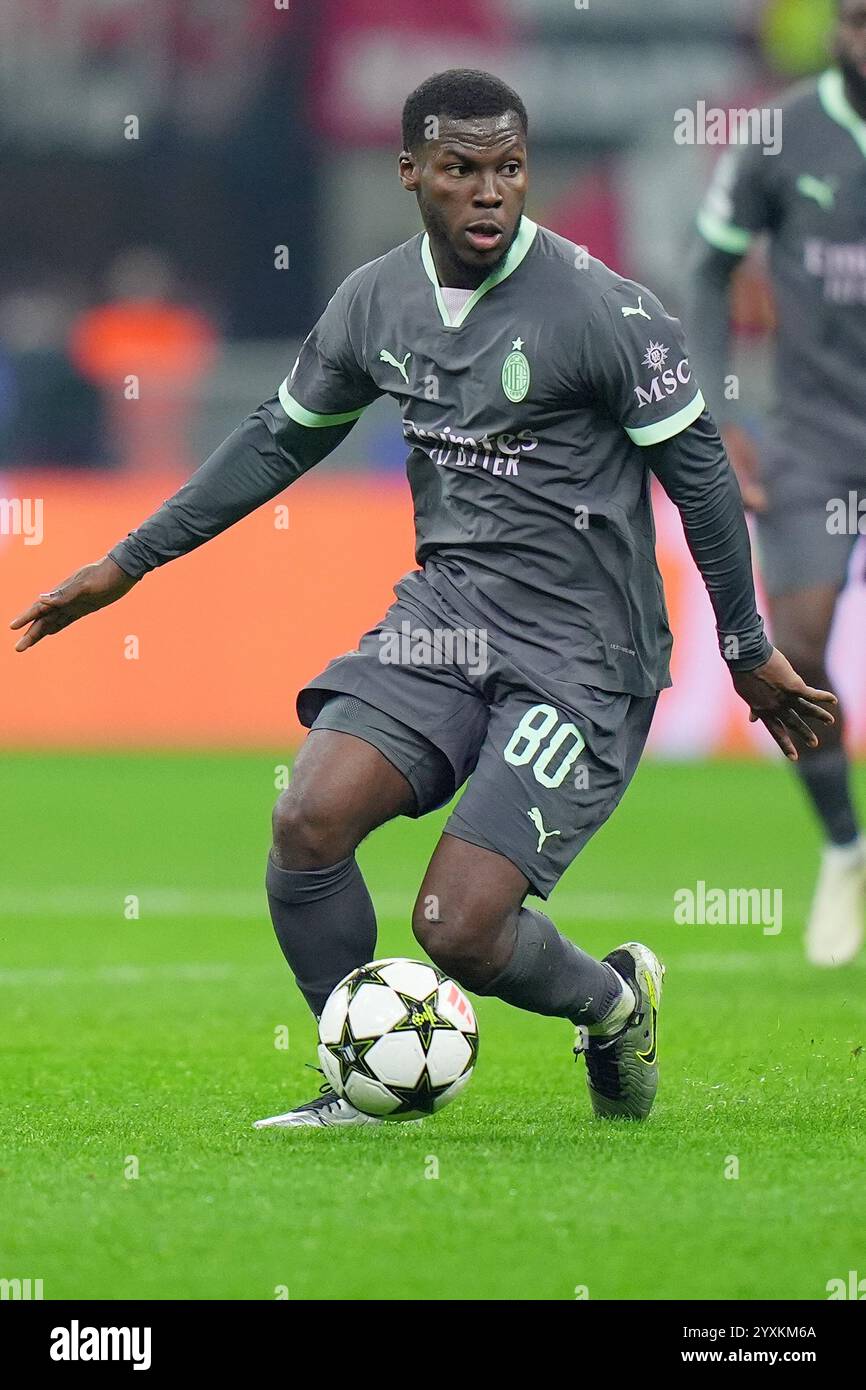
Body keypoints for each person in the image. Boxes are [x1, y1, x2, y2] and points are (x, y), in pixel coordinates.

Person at [10, 70, 835, 1128]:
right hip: (441, 624)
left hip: (582, 658)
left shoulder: (603, 310)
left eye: (508, 170)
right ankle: (357, 1081)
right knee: (306, 819)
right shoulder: (374, 301)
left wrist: (742, 643)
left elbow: (702, 474)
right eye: (460, 171)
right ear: (411, 174)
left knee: (454, 925)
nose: (489, 193)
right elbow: (279, 437)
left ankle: (611, 999)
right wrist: (129, 560)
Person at [688, 0, 866, 966]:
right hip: (815, 438)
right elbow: (708, 268)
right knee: (791, 649)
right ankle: (846, 849)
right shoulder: (780, 137)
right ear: (842, 30)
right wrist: (716, 412)